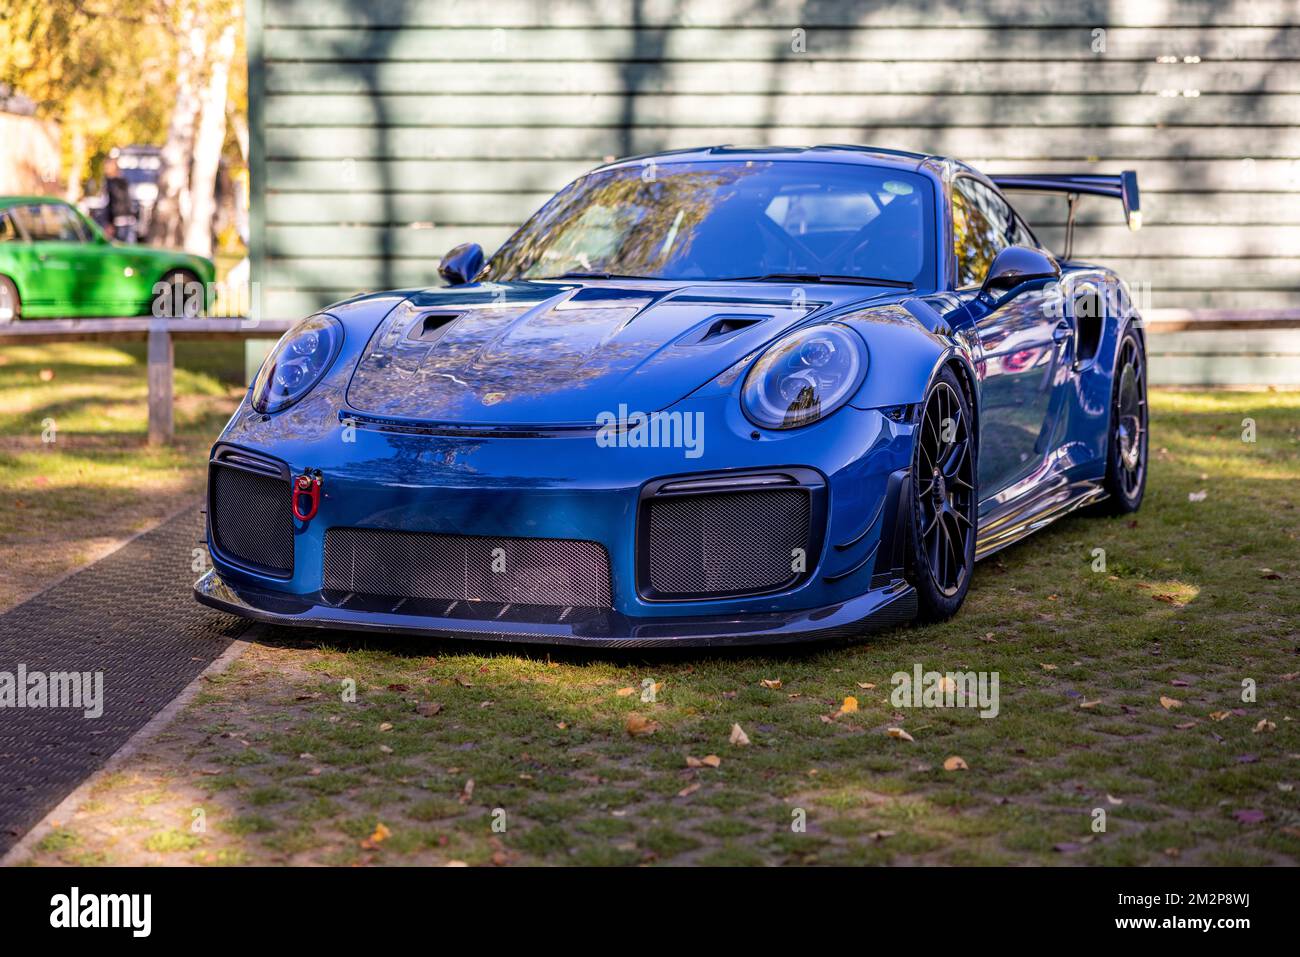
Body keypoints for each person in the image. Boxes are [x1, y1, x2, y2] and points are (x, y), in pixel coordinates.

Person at [103, 152, 137, 243]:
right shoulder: (123, 182)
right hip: (128, 220)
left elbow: (113, 204)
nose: (105, 169)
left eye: (107, 166)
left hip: (119, 221)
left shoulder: (112, 183)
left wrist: (110, 222)